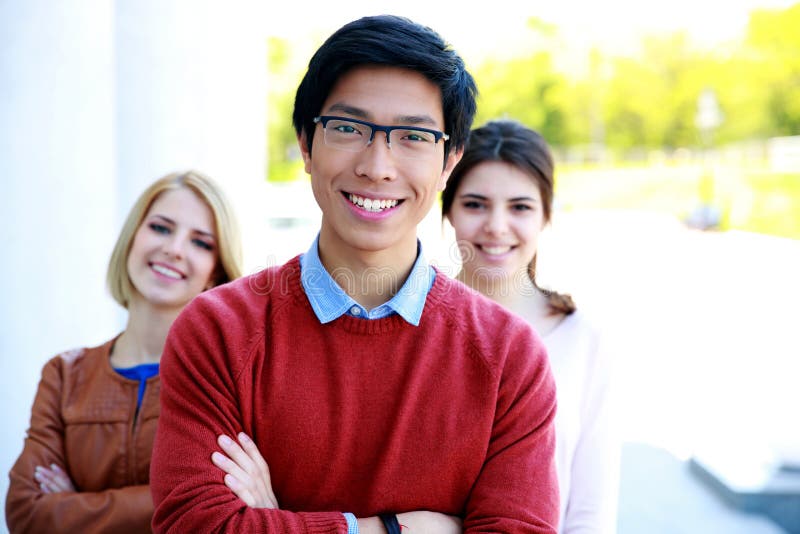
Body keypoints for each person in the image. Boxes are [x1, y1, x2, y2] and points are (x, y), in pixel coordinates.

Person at [149, 14, 559, 534]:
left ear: (449, 161)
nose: (377, 165)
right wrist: (385, 528)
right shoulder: (218, 332)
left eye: (412, 136)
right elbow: (194, 527)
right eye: (348, 128)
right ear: (305, 143)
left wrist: (275, 521)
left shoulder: (509, 358)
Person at [5, 170, 243, 534]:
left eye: (201, 243)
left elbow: (218, 511)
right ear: (132, 238)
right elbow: (25, 511)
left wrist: (69, 507)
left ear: (215, 273)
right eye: (161, 228)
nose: (174, 249)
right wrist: (175, 501)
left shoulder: (229, 380)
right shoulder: (64, 375)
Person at [441, 119, 619, 533]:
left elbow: (591, 512)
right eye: (475, 204)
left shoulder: (583, 339)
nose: (497, 226)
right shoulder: (414, 324)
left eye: (520, 207)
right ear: (447, 210)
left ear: (545, 216)